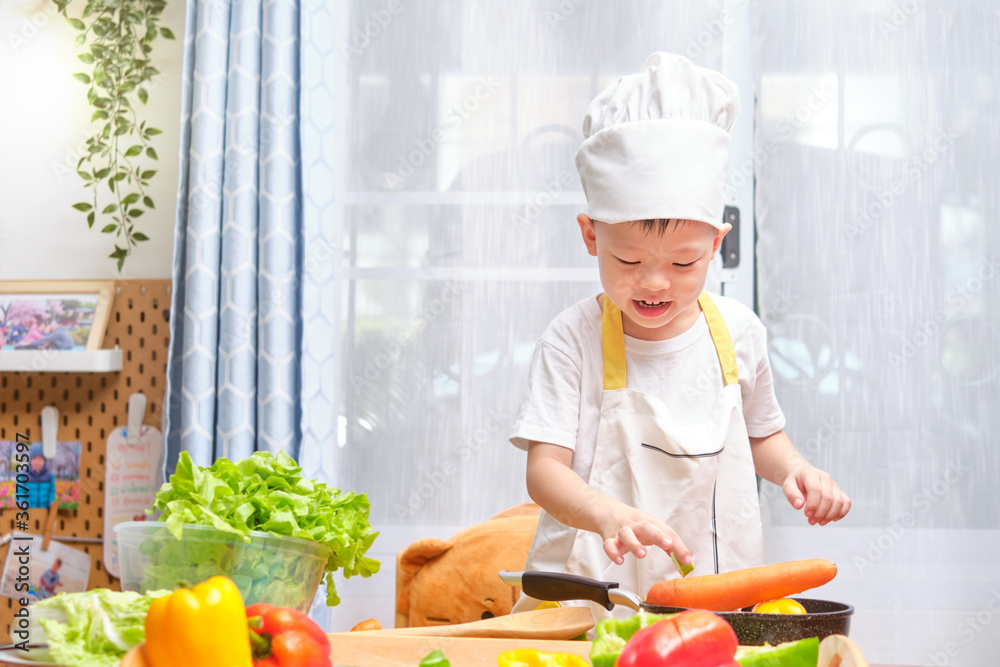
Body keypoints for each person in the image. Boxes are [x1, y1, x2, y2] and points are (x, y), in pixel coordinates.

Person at [509, 53, 851, 618]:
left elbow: (763, 438)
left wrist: (798, 471)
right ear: (590, 236)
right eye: (628, 258)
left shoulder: (740, 333)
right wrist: (607, 515)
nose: (653, 283)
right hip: (592, 591)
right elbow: (544, 471)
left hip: (713, 596)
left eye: (685, 263)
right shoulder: (572, 339)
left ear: (717, 243)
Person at [25, 443, 57, 509]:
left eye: (40, 459)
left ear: (44, 461)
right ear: (30, 460)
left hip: (45, 511)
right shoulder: (24, 476)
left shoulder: (50, 477)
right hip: (28, 512)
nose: (37, 462)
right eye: (34, 459)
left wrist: (51, 502)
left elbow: (52, 492)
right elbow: (20, 493)